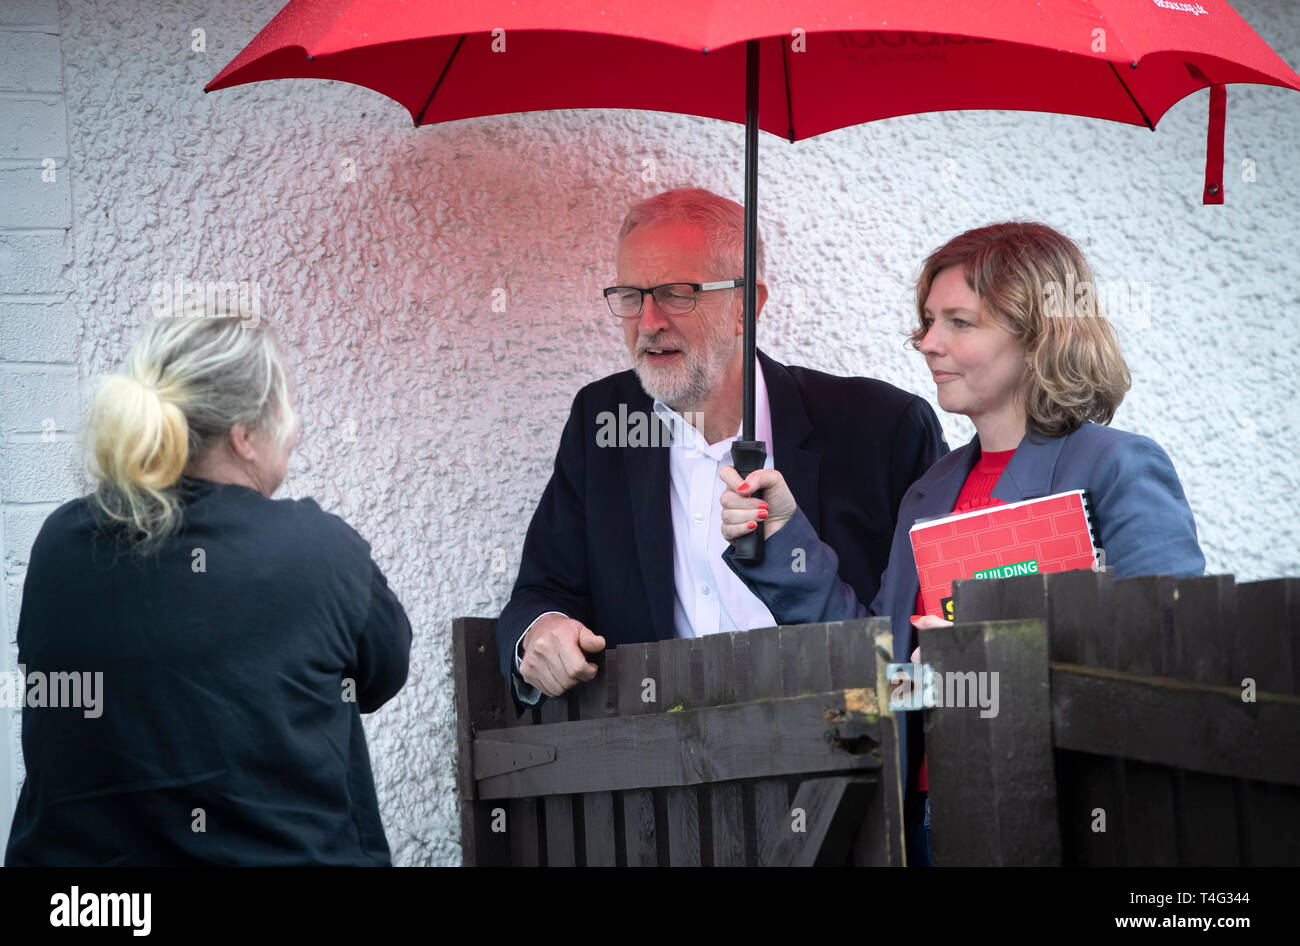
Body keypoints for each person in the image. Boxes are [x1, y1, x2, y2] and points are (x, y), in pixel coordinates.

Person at [718, 221, 1205, 865]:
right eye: (927, 321)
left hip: (1065, 815)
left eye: (960, 322)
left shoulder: (1115, 467)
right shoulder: (932, 487)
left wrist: (979, 667)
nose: (928, 343)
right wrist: (781, 533)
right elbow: (879, 660)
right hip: (922, 819)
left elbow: (1167, 655)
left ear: (1039, 337)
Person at [497, 187, 948, 707]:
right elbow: (542, 588)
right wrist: (541, 630)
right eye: (630, 296)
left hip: (840, 752)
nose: (648, 322)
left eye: (676, 293)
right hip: (659, 765)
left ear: (746, 306)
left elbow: (925, 625)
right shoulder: (605, 422)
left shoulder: (879, 427)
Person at [4, 311, 412, 866]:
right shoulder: (322, 552)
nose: (295, 430)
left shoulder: (60, 544)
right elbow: (381, 677)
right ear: (244, 436)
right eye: (287, 407)